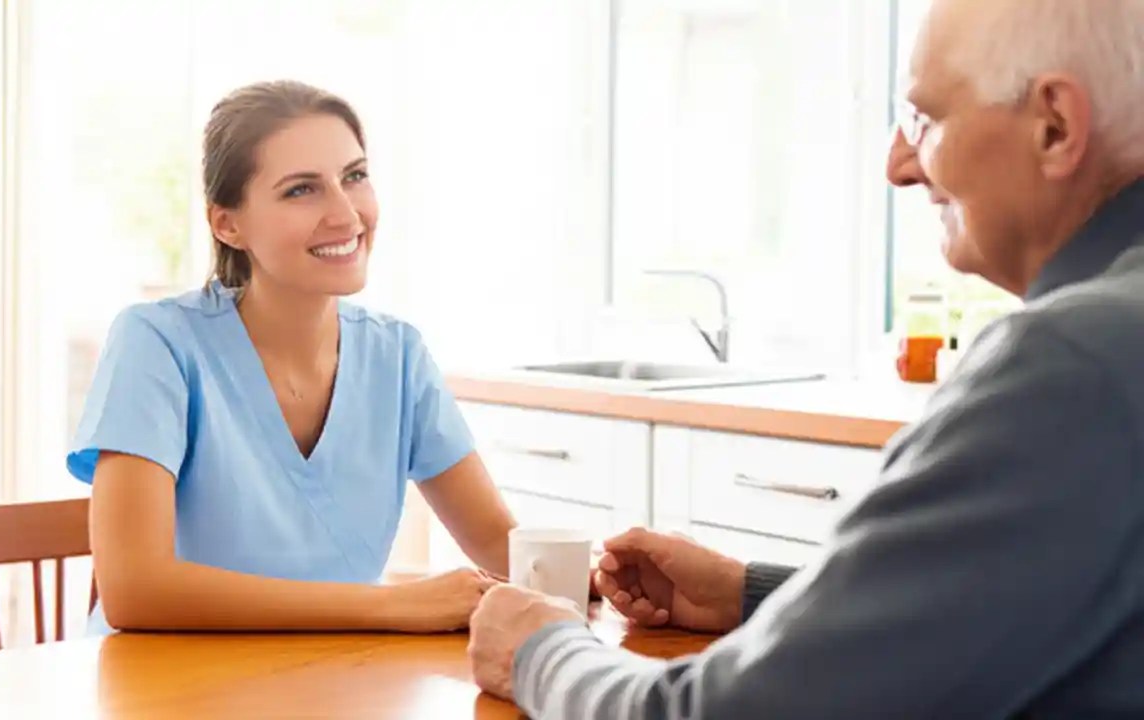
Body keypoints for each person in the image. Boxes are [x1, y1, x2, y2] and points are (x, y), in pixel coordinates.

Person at [468, 0, 1144, 716]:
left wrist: (541, 652)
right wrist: (750, 593)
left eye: (924, 119)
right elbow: (1024, 602)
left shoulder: (1071, 367)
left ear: (1054, 126)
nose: (898, 165)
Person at [68, 80, 517, 635]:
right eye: (302, 190)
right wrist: (390, 605)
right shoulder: (157, 342)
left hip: (328, 672)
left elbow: (499, 544)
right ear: (228, 224)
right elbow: (135, 590)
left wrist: (596, 574)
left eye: (354, 176)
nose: (346, 214)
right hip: (155, 678)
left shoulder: (397, 356)